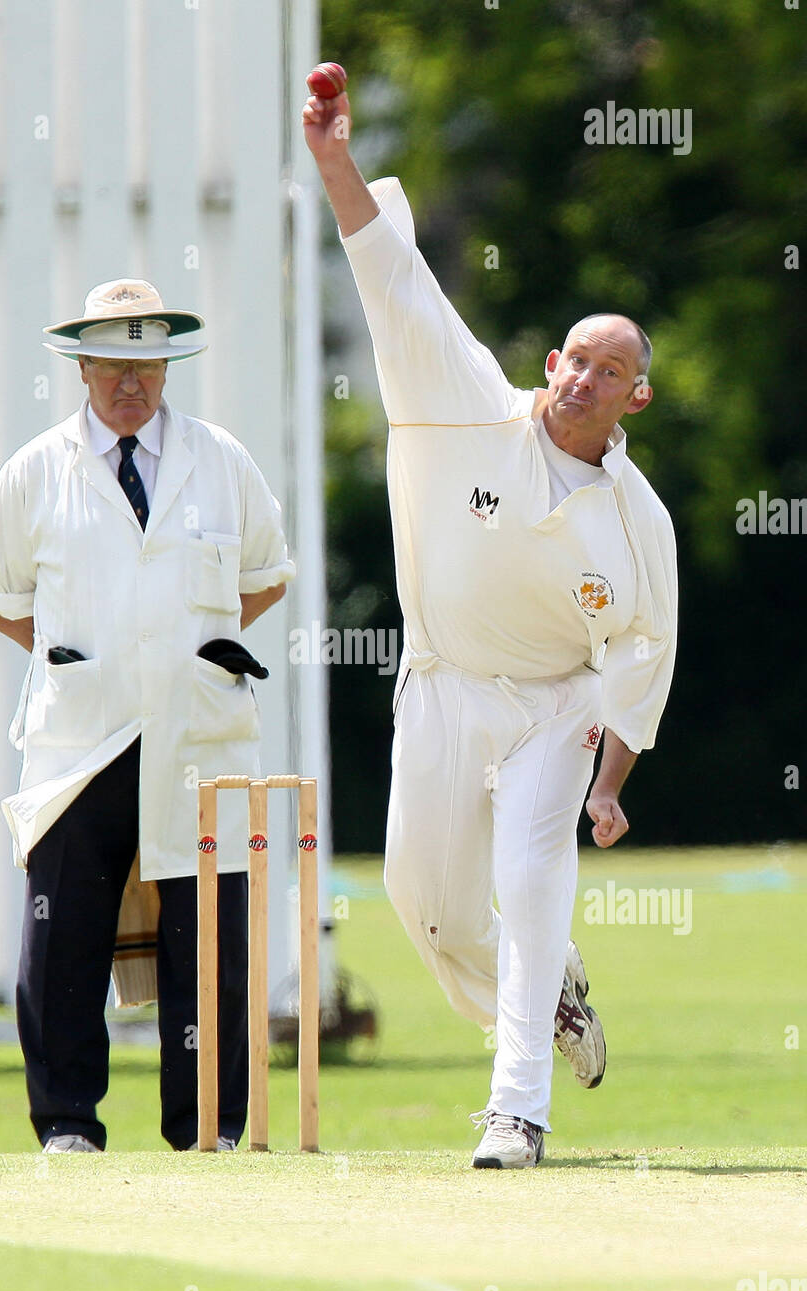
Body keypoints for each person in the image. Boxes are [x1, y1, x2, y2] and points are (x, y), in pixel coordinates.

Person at [303, 85, 677, 1168]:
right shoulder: (464, 400)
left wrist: (608, 780)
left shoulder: (636, 519)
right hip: (440, 681)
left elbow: (642, 657)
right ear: (550, 362)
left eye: (611, 370)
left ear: (633, 399)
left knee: (526, 880)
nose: (583, 378)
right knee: (420, 902)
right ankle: (553, 990)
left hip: (555, 707)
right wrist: (335, 159)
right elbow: (394, 281)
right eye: (574, 358)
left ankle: (516, 1111)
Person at [0, 279, 294, 1153]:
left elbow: (264, 579)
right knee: (62, 935)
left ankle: (212, 1129)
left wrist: (185, 656)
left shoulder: (220, 459)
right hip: (81, 738)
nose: (131, 383)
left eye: (148, 365)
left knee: (209, 937)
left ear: (167, 368)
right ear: (81, 366)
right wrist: (92, 659)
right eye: (114, 364)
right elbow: (2, 602)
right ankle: (68, 1124)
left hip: (200, 734)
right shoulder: (35, 470)